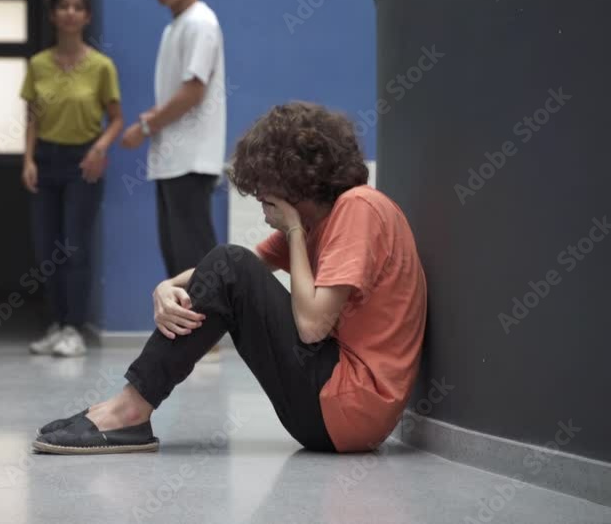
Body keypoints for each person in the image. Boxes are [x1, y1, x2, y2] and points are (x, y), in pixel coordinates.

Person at [32, 102, 427, 454]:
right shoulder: (316, 220)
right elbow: (225, 273)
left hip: (349, 406)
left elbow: (311, 327)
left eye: (265, 195)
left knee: (231, 262)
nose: (261, 205)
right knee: (230, 263)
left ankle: (130, 409)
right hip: (332, 406)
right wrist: (167, 286)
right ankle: (128, 404)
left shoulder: (358, 208)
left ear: (292, 181)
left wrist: (290, 230)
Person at [121, 0, 228, 360]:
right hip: (169, 158)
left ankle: (211, 335)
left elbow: (192, 92)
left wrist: (146, 127)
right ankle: (195, 334)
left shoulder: (202, 22)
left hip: (192, 156)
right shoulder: (173, 28)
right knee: (176, 252)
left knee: (195, 254)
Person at [21, 0, 124, 357]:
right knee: (47, 248)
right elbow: (31, 117)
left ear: (87, 16)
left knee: (74, 246)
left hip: (83, 161)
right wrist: (28, 160)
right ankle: (56, 323)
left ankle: (74, 328)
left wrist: (99, 147)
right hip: (46, 160)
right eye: (62, 7)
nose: (69, 13)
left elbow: (116, 119)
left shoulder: (101, 66)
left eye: (77, 7)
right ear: (52, 15)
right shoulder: (38, 65)